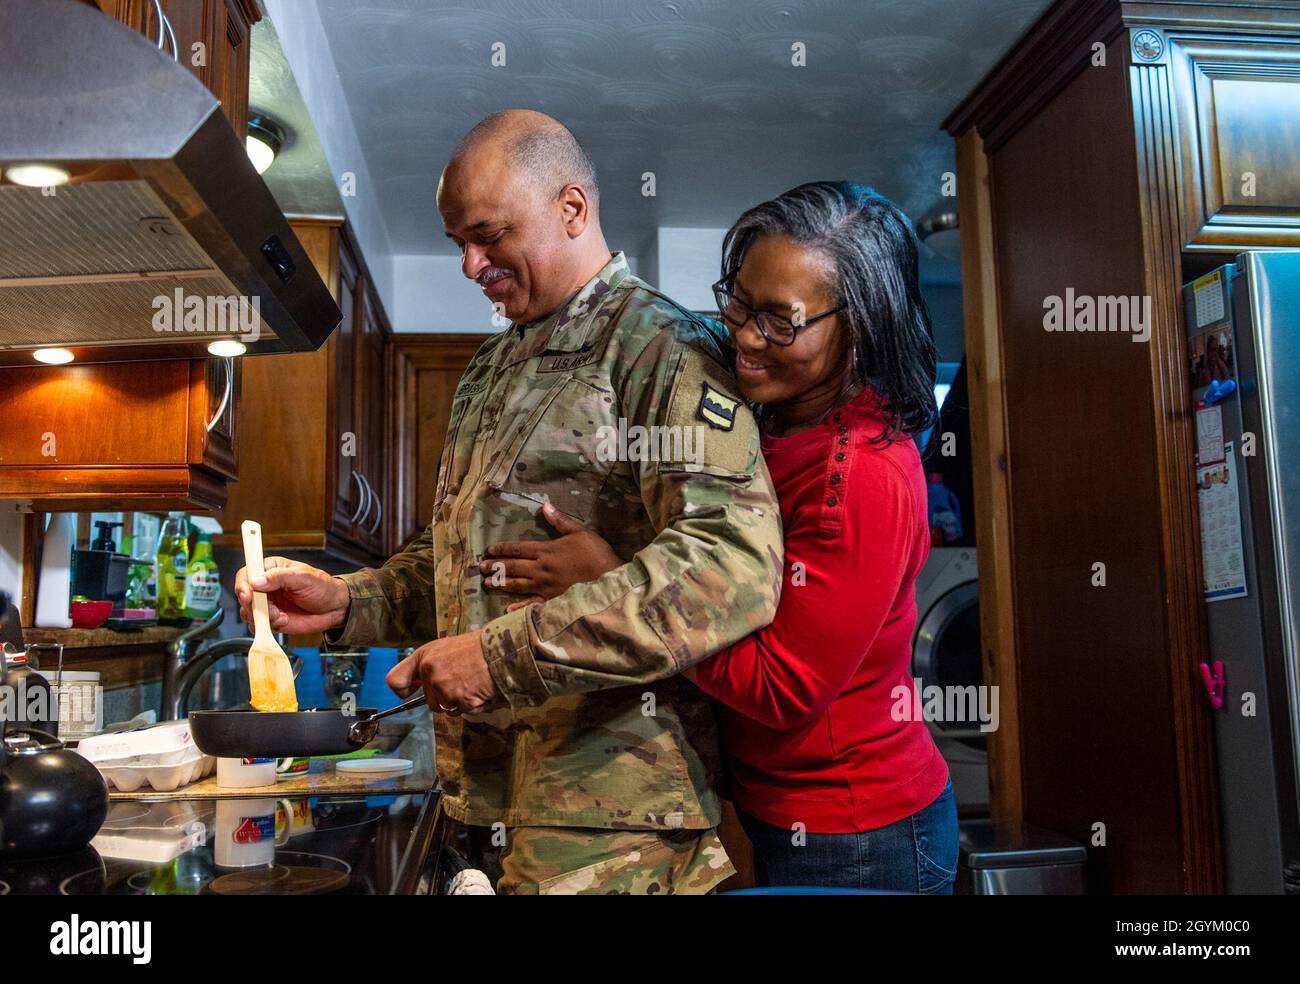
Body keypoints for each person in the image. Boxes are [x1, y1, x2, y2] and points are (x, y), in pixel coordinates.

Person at [233, 110, 783, 895]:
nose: (470, 264)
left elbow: (728, 567)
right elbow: (458, 560)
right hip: (485, 796)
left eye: (488, 236)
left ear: (572, 209)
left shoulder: (662, 349)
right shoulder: (492, 367)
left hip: (611, 823)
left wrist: (497, 659)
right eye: (458, 242)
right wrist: (350, 602)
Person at [486, 182, 959, 893]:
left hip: (859, 831)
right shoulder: (774, 418)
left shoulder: (862, 476)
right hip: (777, 805)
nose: (745, 336)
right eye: (738, 303)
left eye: (779, 321)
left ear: (860, 329)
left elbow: (780, 688)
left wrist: (612, 581)